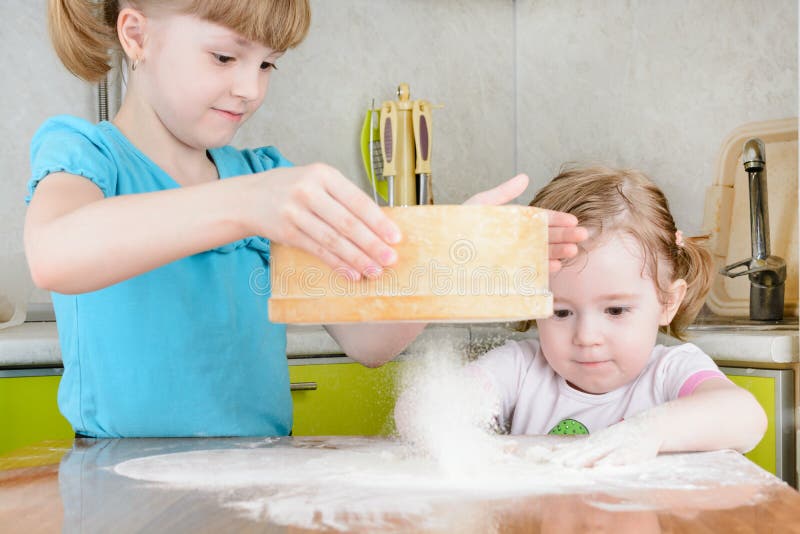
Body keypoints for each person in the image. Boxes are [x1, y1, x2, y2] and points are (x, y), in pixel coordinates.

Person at [25, 0, 586, 438]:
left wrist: (450, 255)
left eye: (266, 64)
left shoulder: (266, 176)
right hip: (118, 484)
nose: (250, 89)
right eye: (225, 57)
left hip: (260, 474)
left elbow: (367, 342)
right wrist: (245, 203)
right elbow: (54, 252)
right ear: (136, 35)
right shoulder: (87, 155)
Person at [466, 166, 767, 466]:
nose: (586, 336)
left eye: (615, 310)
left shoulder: (669, 372)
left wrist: (651, 430)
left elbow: (747, 417)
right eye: (560, 311)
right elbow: (431, 412)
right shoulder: (520, 369)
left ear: (667, 301)